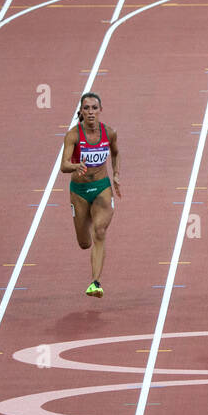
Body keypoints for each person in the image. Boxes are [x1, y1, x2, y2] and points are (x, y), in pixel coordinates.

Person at [61, 93, 120, 297]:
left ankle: (95, 282)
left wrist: (117, 175)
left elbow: (116, 153)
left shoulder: (109, 133)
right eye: (86, 108)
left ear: (100, 110)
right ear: (82, 111)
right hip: (79, 192)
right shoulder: (73, 135)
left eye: (94, 108)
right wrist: (75, 166)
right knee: (84, 243)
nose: (91, 112)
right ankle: (85, 218)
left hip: (102, 186)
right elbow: (63, 165)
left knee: (100, 231)